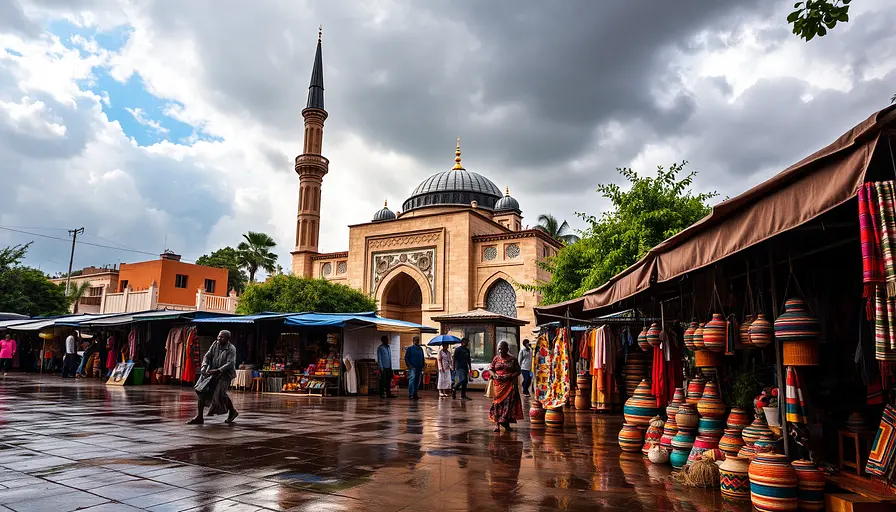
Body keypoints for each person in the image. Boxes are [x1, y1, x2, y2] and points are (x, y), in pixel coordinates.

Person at [188, 330, 238, 425]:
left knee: (220, 394)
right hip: (211, 372)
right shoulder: (215, 344)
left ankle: (232, 411)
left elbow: (230, 363)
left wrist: (218, 370)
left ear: (227, 339)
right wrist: (204, 366)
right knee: (201, 390)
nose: (219, 338)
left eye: (221, 337)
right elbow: (207, 356)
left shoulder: (231, 349)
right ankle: (199, 416)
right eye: (218, 336)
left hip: (225, 375)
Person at [489, 341, 523, 432]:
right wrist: (494, 375)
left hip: (509, 385)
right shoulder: (496, 358)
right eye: (499, 349)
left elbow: (518, 371)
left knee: (508, 405)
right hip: (498, 385)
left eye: (503, 349)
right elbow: (491, 369)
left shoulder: (513, 359)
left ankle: (506, 423)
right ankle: (497, 425)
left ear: (507, 349)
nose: (501, 351)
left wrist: (510, 376)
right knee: (497, 405)